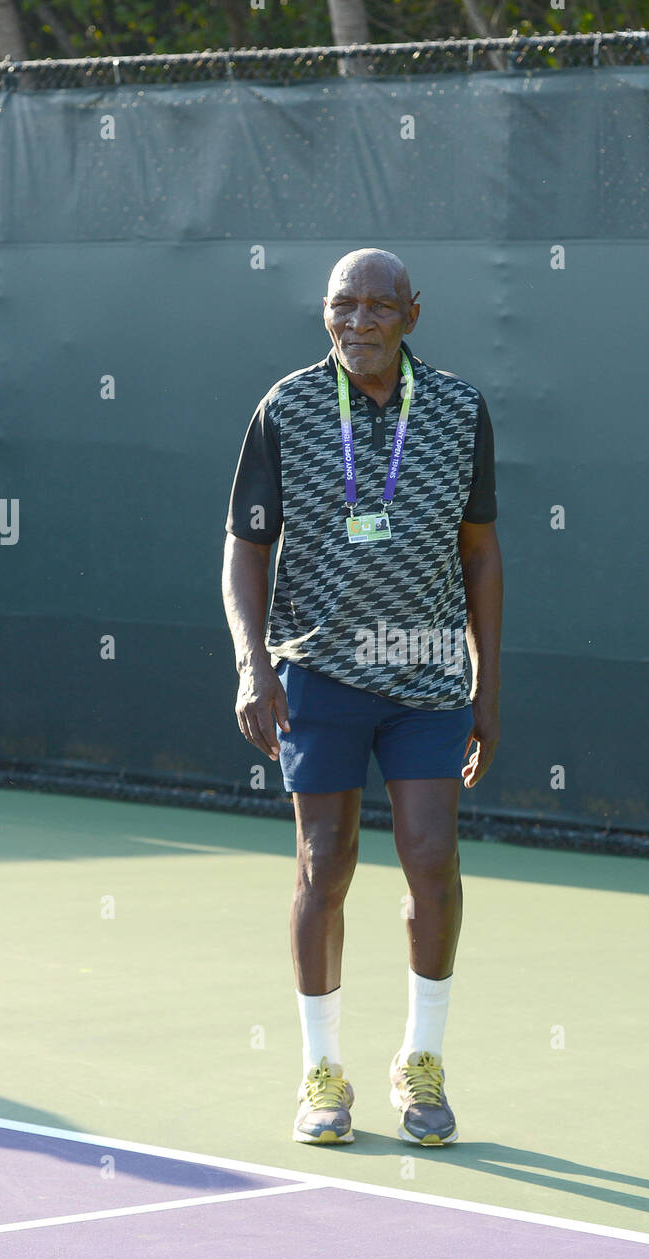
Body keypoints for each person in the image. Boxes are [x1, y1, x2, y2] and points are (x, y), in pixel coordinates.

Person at [222, 248, 502, 1145]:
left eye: (380, 307)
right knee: (323, 865)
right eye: (344, 306)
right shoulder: (287, 406)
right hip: (317, 673)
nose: (361, 322)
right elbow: (244, 548)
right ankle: (320, 1074)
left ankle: (421, 1064)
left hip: (425, 678)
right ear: (326, 315)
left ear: (411, 317)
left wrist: (484, 686)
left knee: (431, 859)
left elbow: (481, 551)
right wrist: (251, 665)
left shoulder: (458, 408)